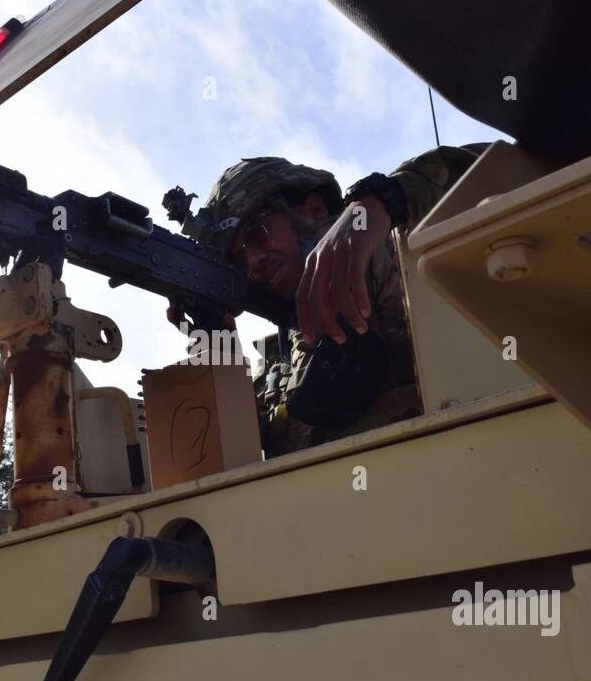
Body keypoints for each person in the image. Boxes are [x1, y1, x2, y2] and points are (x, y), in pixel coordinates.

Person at [193, 146, 483, 456]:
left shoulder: (395, 252)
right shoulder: (279, 364)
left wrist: (384, 200)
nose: (254, 261)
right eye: (239, 261)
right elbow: (239, 458)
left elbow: (497, 171)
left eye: (257, 234)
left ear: (315, 209)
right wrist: (217, 348)